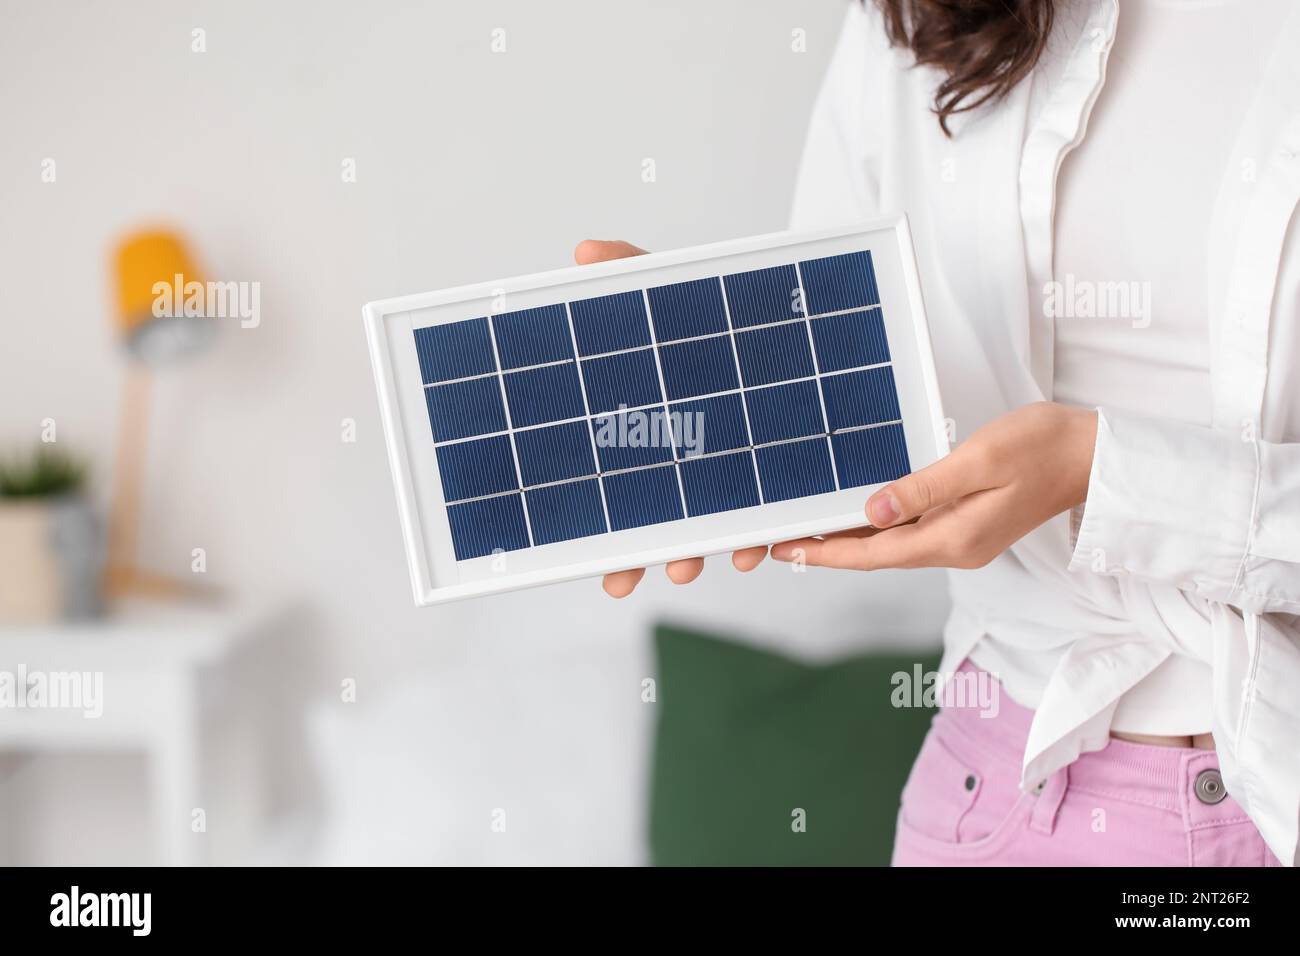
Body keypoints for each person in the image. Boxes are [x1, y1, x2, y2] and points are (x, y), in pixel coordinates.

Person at [576, 0, 1300, 866]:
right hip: (991, 792)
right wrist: (696, 383)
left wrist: (1103, 476)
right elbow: (835, 381)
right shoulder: (911, 16)